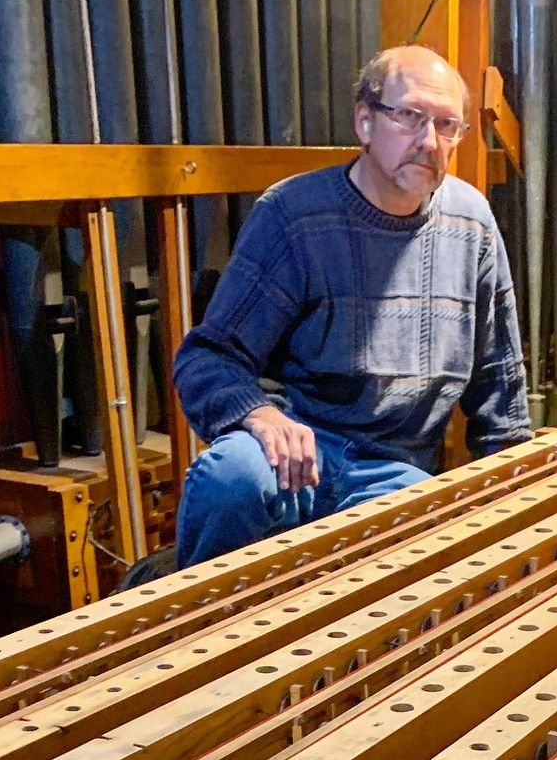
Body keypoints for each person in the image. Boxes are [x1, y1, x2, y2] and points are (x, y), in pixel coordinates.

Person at [164, 44, 531, 570]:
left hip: (395, 470)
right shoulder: (294, 216)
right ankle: (202, 620)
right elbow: (208, 356)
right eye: (410, 116)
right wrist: (259, 414)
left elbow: (498, 379)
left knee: (423, 540)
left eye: (447, 125)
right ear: (365, 122)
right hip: (295, 451)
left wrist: (514, 489)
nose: (429, 141)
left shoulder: (471, 224)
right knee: (231, 479)